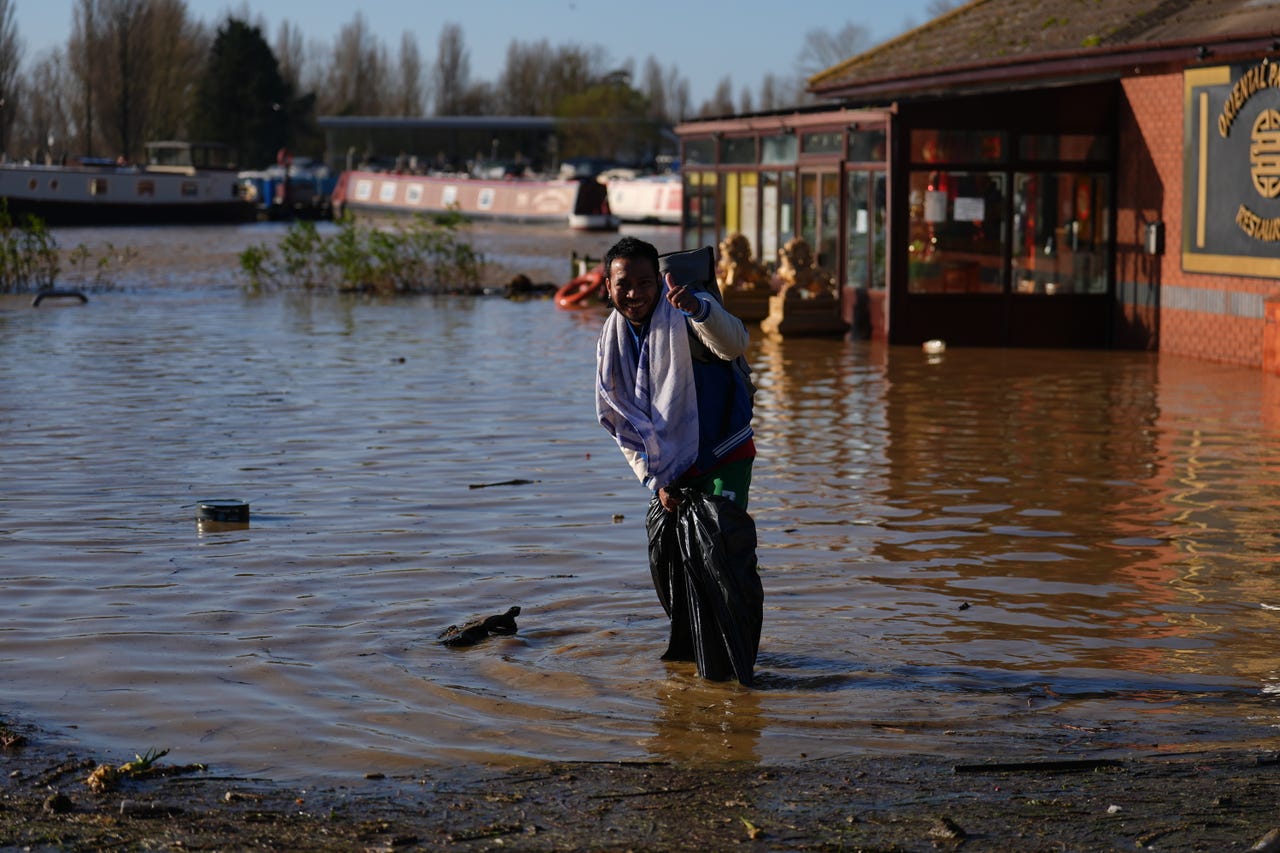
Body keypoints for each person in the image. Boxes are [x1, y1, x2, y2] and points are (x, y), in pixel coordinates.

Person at [595, 236, 756, 513]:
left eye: (644, 283)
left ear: (658, 280)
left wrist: (696, 310)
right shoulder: (612, 342)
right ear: (609, 286)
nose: (634, 294)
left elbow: (735, 345)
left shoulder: (689, 303)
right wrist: (657, 480)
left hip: (723, 452)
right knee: (680, 556)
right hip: (671, 469)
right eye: (624, 284)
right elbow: (622, 418)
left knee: (726, 545)